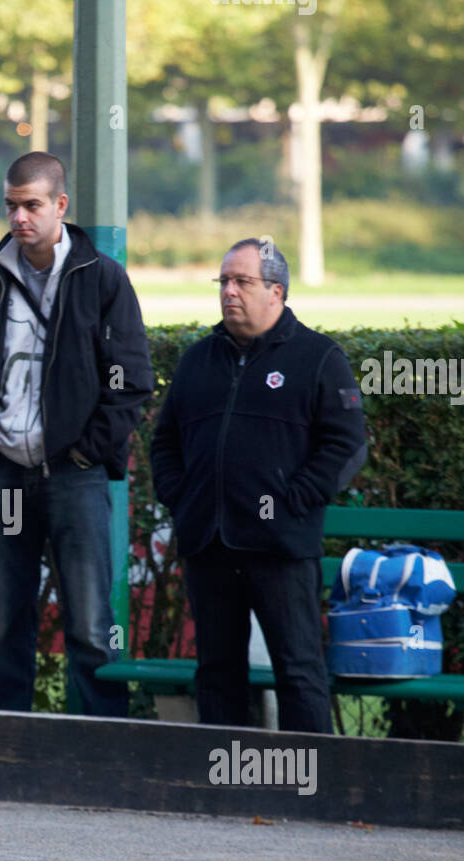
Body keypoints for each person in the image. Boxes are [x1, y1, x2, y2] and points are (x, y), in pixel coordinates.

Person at [0, 152, 152, 717]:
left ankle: (101, 744)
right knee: (6, 618)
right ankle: (6, 739)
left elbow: (131, 381)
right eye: (11, 205)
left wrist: (85, 452)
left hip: (75, 477)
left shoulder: (104, 280)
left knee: (89, 624)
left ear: (60, 205)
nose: (19, 217)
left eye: (31, 205)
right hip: (4, 472)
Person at [150, 238, 367, 734]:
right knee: (217, 671)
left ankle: (309, 787)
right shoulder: (197, 359)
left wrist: (291, 502)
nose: (229, 291)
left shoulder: (317, 357)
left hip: (280, 545)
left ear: (277, 291)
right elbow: (164, 444)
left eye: (241, 281)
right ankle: (225, 786)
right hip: (209, 542)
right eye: (223, 281)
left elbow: (347, 445)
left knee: (298, 670)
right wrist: (183, 499)